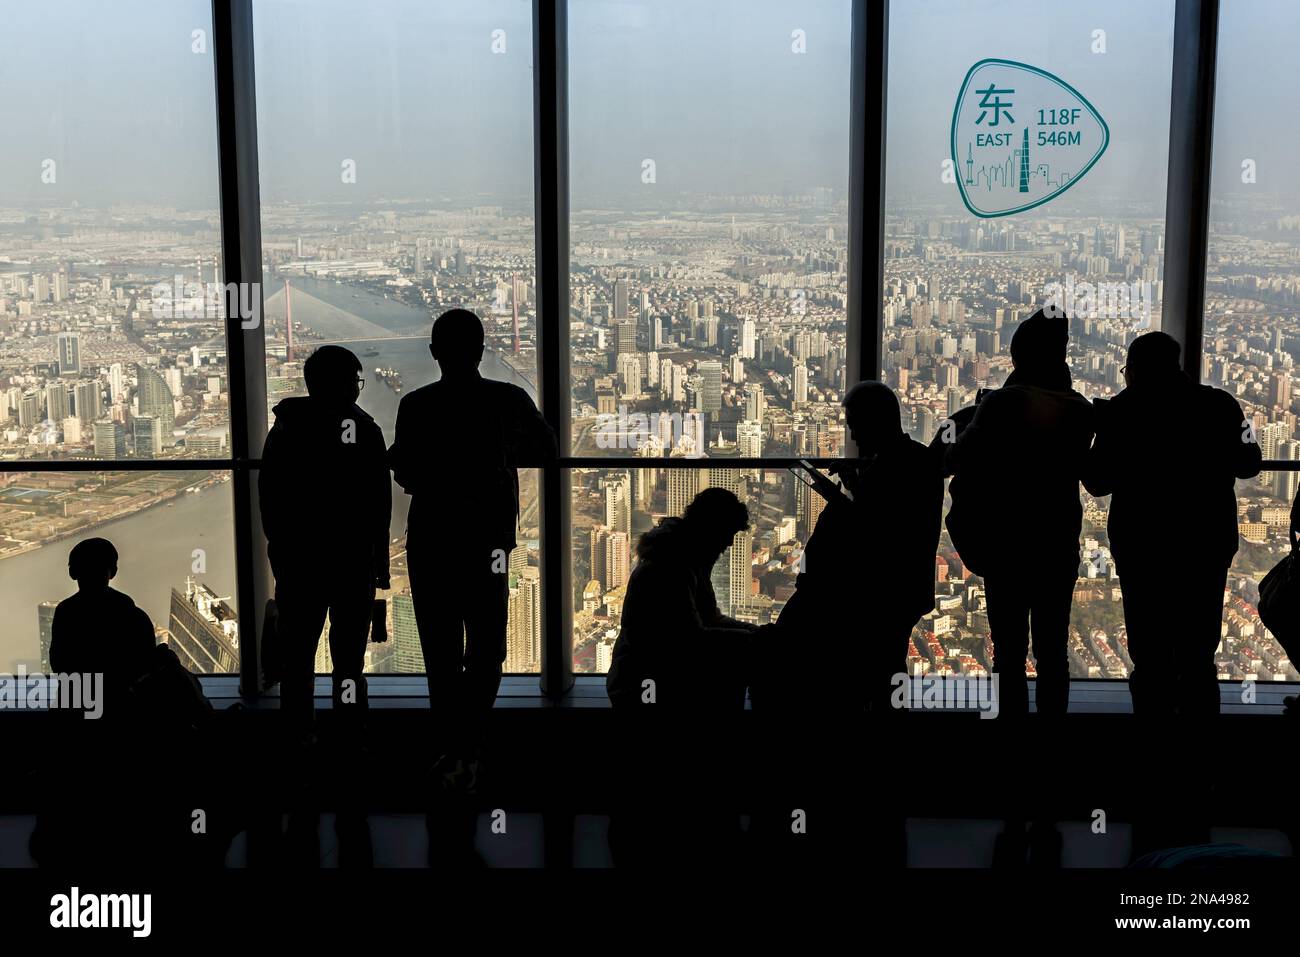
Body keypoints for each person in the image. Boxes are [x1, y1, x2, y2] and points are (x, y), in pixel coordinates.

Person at [389, 308, 557, 789]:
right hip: (489, 542)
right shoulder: (508, 400)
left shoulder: (417, 405)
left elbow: (404, 472)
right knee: (486, 649)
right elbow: (545, 450)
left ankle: (451, 750)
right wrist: (500, 459)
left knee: (440, 652)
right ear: (481, 351)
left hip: (433, 542)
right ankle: (473, 744)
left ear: (435, 353)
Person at [1084, 331, 1261, 716]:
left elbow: (1096, 482)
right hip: (1205, 547)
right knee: (1198, 659)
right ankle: (1201, 763)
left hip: (1143, 549)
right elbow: (1250, 460)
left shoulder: (1121, 411)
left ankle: (1155, 755)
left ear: (1132, 372)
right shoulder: (1221, 405)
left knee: (1150, 661)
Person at [943, 309, 1094, 718]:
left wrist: (970, 419)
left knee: (1008, 654)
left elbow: (956, 456)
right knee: (1053, 654)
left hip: (1007, 545)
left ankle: (1011, 733)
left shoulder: (1002, 403)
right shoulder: (1079, 409)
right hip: (1057, 544)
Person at [762, 381, 943, 714]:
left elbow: (880, 532)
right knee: (885, 669)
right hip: (898, 590)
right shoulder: (912, 460)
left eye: (856, 426)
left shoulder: (895, 467)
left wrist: (839, 499)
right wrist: (856, 487)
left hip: (884, 593)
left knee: (875, 673)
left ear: (876, 421)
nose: (854, 437)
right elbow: (888, 518)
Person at [604, 487, 756, 866]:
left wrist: (755, 635)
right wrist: (755, 643)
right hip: (646, 686)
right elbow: (692, 640)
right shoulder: (671, 568)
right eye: (725, 538)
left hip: (654, 676)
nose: (725, 549)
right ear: (710, 530)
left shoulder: (684, 557)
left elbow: (708, 621)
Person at [259, 344, 392, 745]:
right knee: (349, 660)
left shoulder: (283, 430)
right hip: (351, 565)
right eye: (354, 381)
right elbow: (378, 507)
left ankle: (298, 734)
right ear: (342, 384)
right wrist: (379, 563)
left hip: (298, 564)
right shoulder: (363, 430)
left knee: (297, 658)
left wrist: (282, 551)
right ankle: (349, 732)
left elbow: (270, 498)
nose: (357, 389)